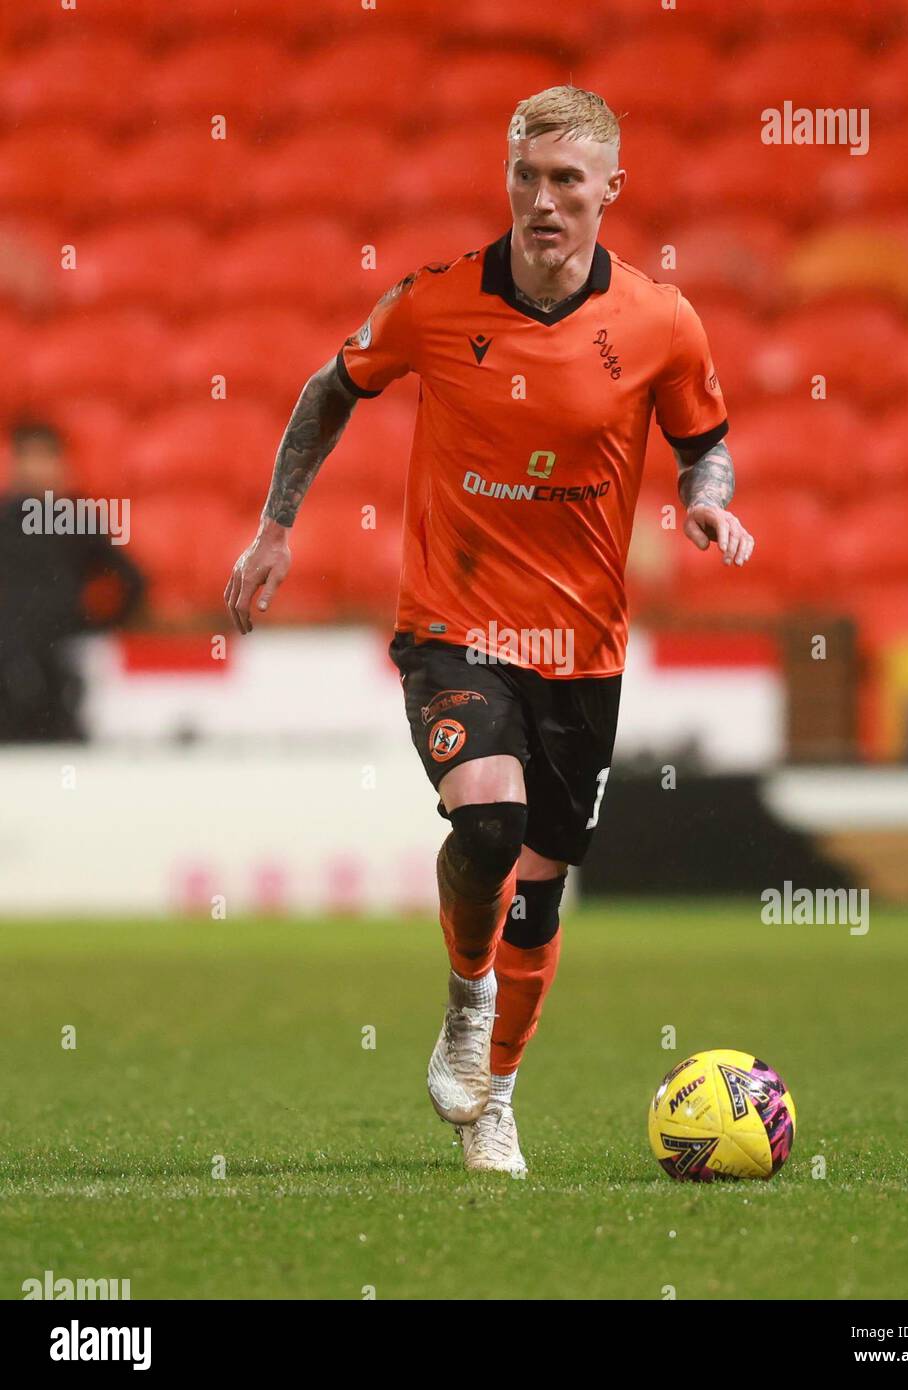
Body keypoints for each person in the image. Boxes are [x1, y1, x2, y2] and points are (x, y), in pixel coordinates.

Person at [225, 86, 754, 1176]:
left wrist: (709, 498)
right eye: (526, 175)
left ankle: (497, 1093)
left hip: (584, 649)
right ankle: (465, 999)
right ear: (505, 176)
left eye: (568, 179)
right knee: (488, 826)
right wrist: (276, 526)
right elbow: (332, 388)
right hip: (453, 623)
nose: (543, 200)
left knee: (545, 883)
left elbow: (707, 439)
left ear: (613, 187)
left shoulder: (659, 320)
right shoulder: (435, 302)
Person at [0, 421, 144, 741]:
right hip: (7, 664)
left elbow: (131, 581)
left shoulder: (74, 520)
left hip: (58, 663)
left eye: (45, 458)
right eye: (30, 458)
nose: (38, 469)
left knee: (61, 747)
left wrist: (92, 627)